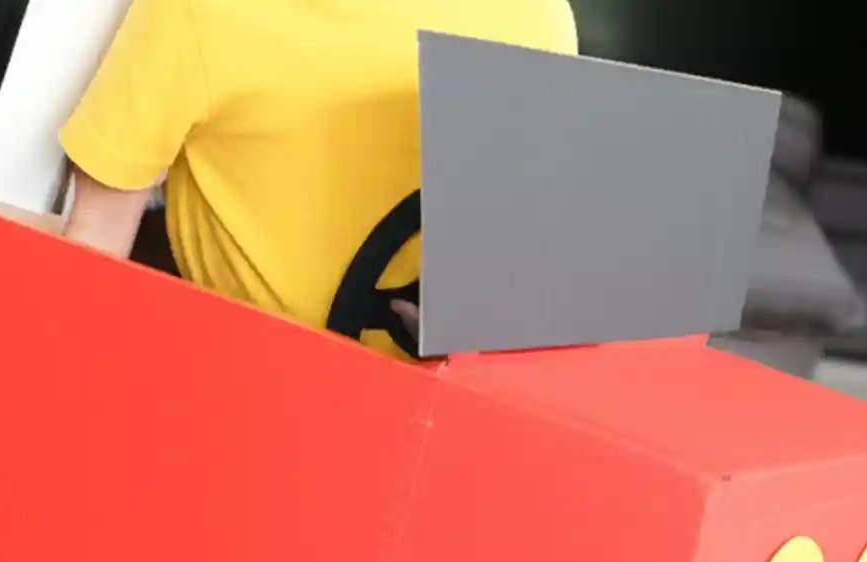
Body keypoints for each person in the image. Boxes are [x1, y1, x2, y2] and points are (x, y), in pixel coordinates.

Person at [59, 0, 579, 359]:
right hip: (243, 401)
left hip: (459, 415)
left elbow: (538, 271)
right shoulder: (200, 13)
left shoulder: (535, 16)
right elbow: (91, 256)